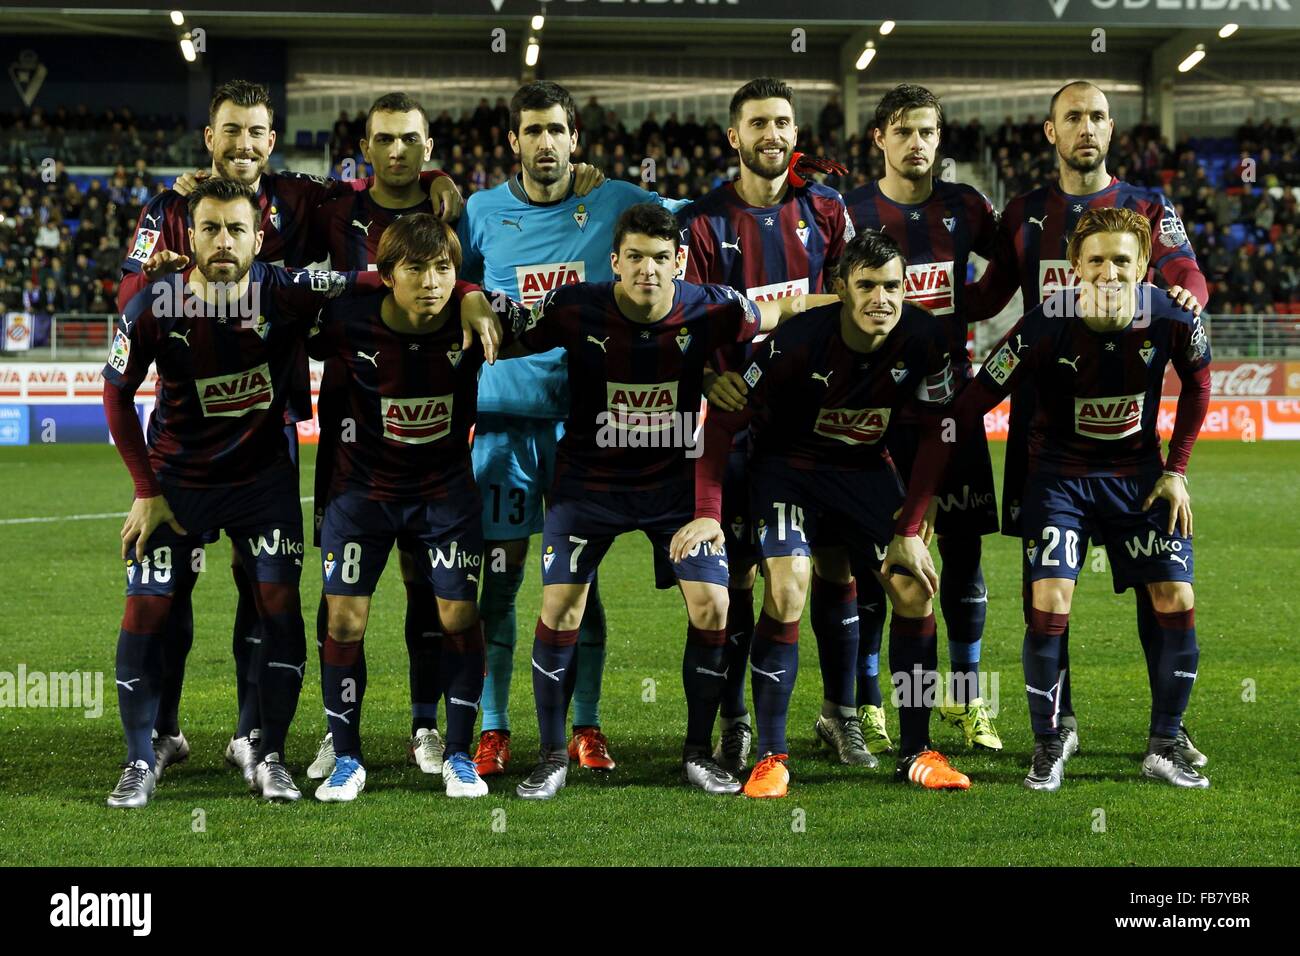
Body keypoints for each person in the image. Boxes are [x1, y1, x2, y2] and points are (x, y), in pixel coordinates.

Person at [498, 202, 828, 799]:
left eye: (660, 257)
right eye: (635, 257)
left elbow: (785, 308)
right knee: (560, 609)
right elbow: (508, 331)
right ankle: (550, 756)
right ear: (615, 262)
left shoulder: (713, 305)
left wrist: (866, 307)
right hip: (588, 485)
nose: (647, 269)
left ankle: (698, 753)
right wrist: (472, 297)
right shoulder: (574, 308)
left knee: (713, 606)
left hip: (673, 487)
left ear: (679, 261)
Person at [891, 207, 1212, 791]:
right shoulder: (1043, 325)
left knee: (1175, 591)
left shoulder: (1171, 317)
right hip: (1059, 478)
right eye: (1096, 261)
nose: (1109, 273)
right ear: (1075, 268)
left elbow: (1199, 383)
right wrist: (921, 499)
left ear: (1143, 265)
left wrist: (1178, 471)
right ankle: (1050, 739)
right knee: (1051, 594)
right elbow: (968, 406)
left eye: (1122, 261)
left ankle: (1166, 739)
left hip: (1138, 477)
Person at [684, 228, 971, 797]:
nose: (880, 299)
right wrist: (708, 513)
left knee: (915, 587)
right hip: (787, 471)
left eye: (892, 286)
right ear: (840, 288)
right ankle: (771, 757)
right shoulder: (796, 340)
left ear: (907, 287)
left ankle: (917, 751)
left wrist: (911, 527)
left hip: (864, 471)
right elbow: (724, 417)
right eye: (865, 286)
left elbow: (942, 433)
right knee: (788, 588)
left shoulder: (926, 338)